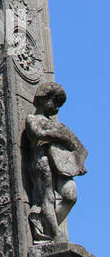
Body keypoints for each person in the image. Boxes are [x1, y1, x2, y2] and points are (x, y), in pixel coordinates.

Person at [24, 82, 87, 242]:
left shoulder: (57, 125)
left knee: (70, 195)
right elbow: (38, 134)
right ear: (43, 98)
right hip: (42, 160)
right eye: (54, 102)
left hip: (59, 164)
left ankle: (45, 226)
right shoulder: (32, 118)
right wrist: (62, 136)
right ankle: (54, 234)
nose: (56, 109)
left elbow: (75, 146)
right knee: (48, 197)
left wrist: (77, 161)